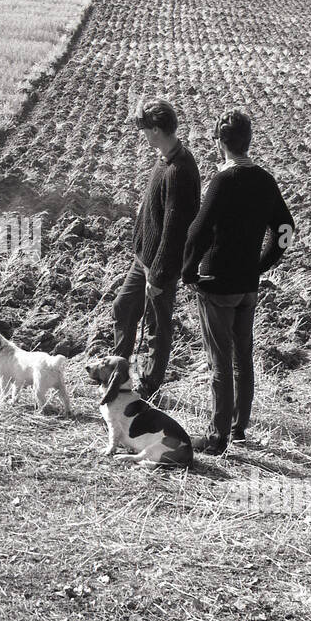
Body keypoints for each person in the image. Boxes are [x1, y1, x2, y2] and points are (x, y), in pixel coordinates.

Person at [182, 108, 294, 455]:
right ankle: (239, 428)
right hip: (248, 286)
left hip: (217, 285)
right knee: (243, 358)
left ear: (220, 144)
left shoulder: (222, 181)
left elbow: (198, 231)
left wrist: (188, 271)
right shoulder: (264, 180)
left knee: (220, 362)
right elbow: (286, 229)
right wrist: (261, 266)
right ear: (248, 141)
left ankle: (217, 438)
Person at [111, 97, 201, 400]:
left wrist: (158, 276)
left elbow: (175, 232)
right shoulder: (164, 159)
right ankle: (118, 374)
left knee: (156, 327)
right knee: (123, 308)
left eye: (146, 128)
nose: (143, 134)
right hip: (145, 258)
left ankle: (148, 387)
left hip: (159, 265)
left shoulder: (180, 169)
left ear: (159, 129)